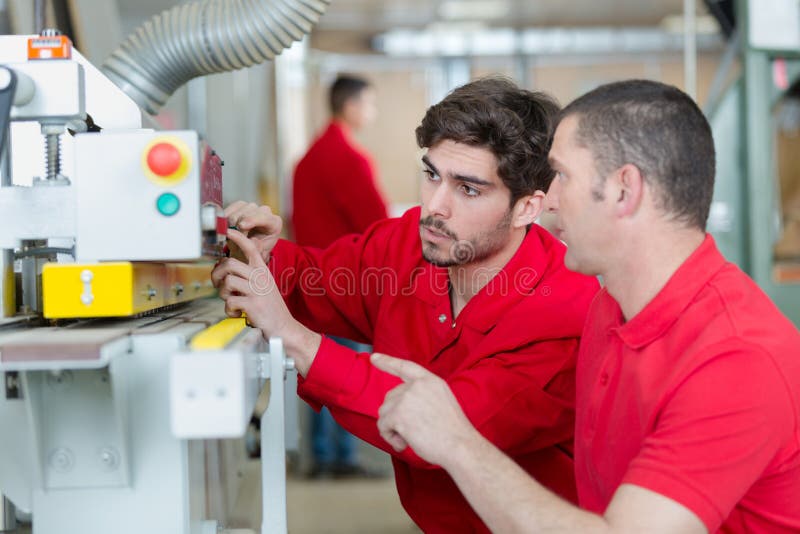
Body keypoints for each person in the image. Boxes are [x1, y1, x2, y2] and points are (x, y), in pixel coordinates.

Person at [372, 79, 800, 533]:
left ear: (624, 191)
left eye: (561, 176)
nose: (549, 201)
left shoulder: (735, 357)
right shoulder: (608, 309)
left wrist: (457, 441)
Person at [212, 77, 600, 532]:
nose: (435, 207)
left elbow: (440, 431)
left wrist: (293, 338)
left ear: (527, 208)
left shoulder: (566, 313)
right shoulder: (409, 244)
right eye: (432, 175)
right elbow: (316, 281)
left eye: (468, 189)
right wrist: (263, 255)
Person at [292, 74, 389, 478]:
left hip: (311, 280)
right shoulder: (348, 158)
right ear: (350, 106)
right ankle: (344, 458)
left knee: (316, 363)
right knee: (346, 369)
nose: (373, 112)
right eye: (369, 103)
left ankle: (321, 456)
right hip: (347, 282)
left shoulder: (307, 160)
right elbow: (378, 225)